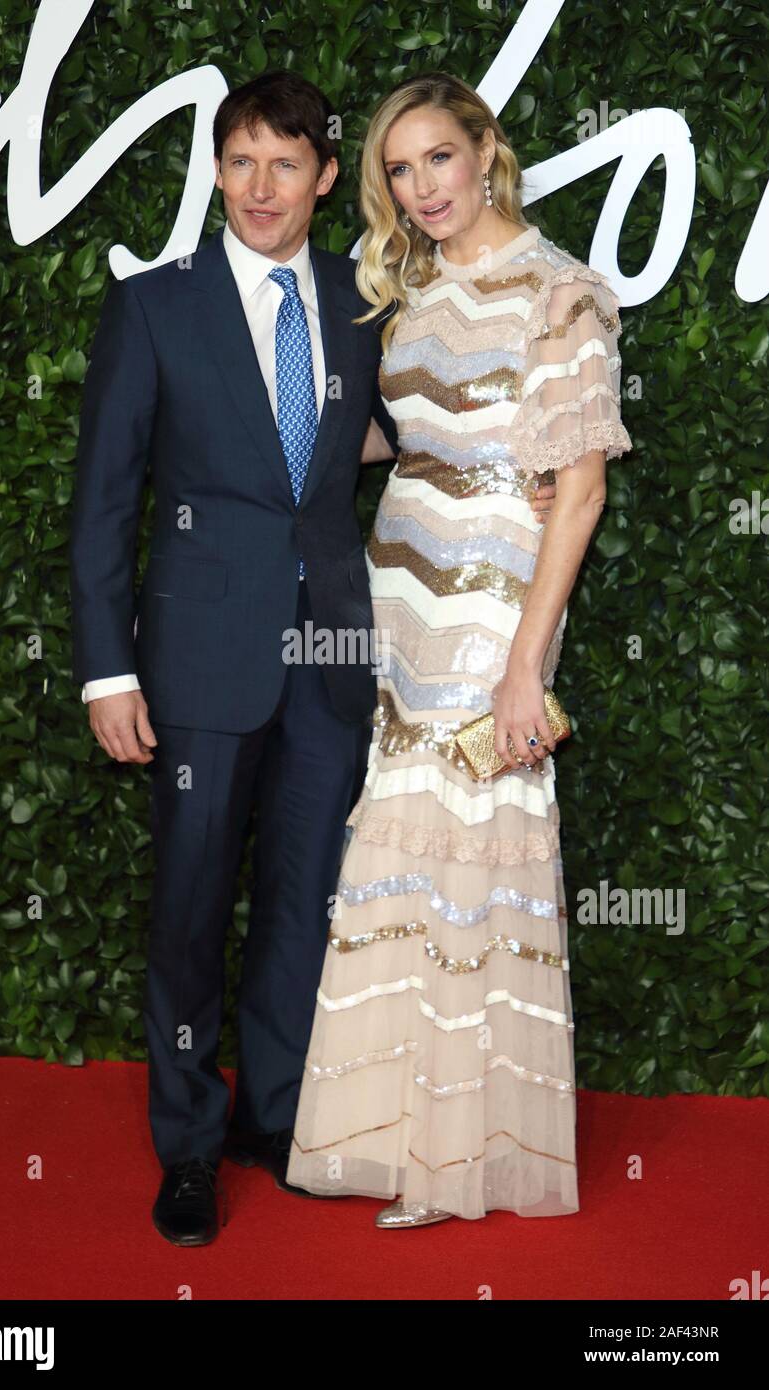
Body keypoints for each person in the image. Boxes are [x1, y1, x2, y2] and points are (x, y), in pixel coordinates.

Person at [70, 69, 556, 1247]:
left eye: (284, 164)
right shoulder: (154, 307)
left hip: (338, 650)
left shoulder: (360, 300)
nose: (258, 187)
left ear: (325, 178)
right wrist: (106, 668)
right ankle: (187, 1145)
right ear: (218, 171)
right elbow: (102, 503)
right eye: (238, 161)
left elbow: (408, 427)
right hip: (193, 661)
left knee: (302, 903)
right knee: (189, 905)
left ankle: (278, 1115)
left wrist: (516, 464)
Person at [287, 72, 632, 1226]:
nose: (419, 186)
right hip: (395, 589)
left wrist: (526, 663)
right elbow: (390, 439)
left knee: (467, 844)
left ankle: (455, 1155)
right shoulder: (414, 286)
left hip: (494, 600)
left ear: (486, 153)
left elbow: (576, 494)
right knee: (398, 847)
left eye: (437, 158)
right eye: (396, 168)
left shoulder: (562, 293)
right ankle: (387, 1132)